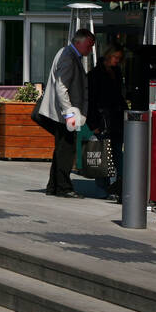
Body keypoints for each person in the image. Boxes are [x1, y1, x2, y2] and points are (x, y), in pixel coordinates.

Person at [36, 28, 95, 198]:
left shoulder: (67, 53)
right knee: (66, 150)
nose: (90, 50)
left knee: (62, 149)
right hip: (65, 113)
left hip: (63, 112)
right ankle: (63, 187)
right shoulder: (69, 57)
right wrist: (69, 114)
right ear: (79, 42)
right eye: (89, 46)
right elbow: (61, 88)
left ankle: (54, 186)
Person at [88, 42, 128, 200]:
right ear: (108, 55)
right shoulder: (95, 75)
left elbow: (118, 96)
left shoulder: (116, 72)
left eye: (119, 58)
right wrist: (93, 124)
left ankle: (116, 186)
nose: (117, 60)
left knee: (116, 153)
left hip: (115, 119)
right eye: (115, 57)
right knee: (104, 154)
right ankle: (103, 187)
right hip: (102, 119)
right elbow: (90, 101)